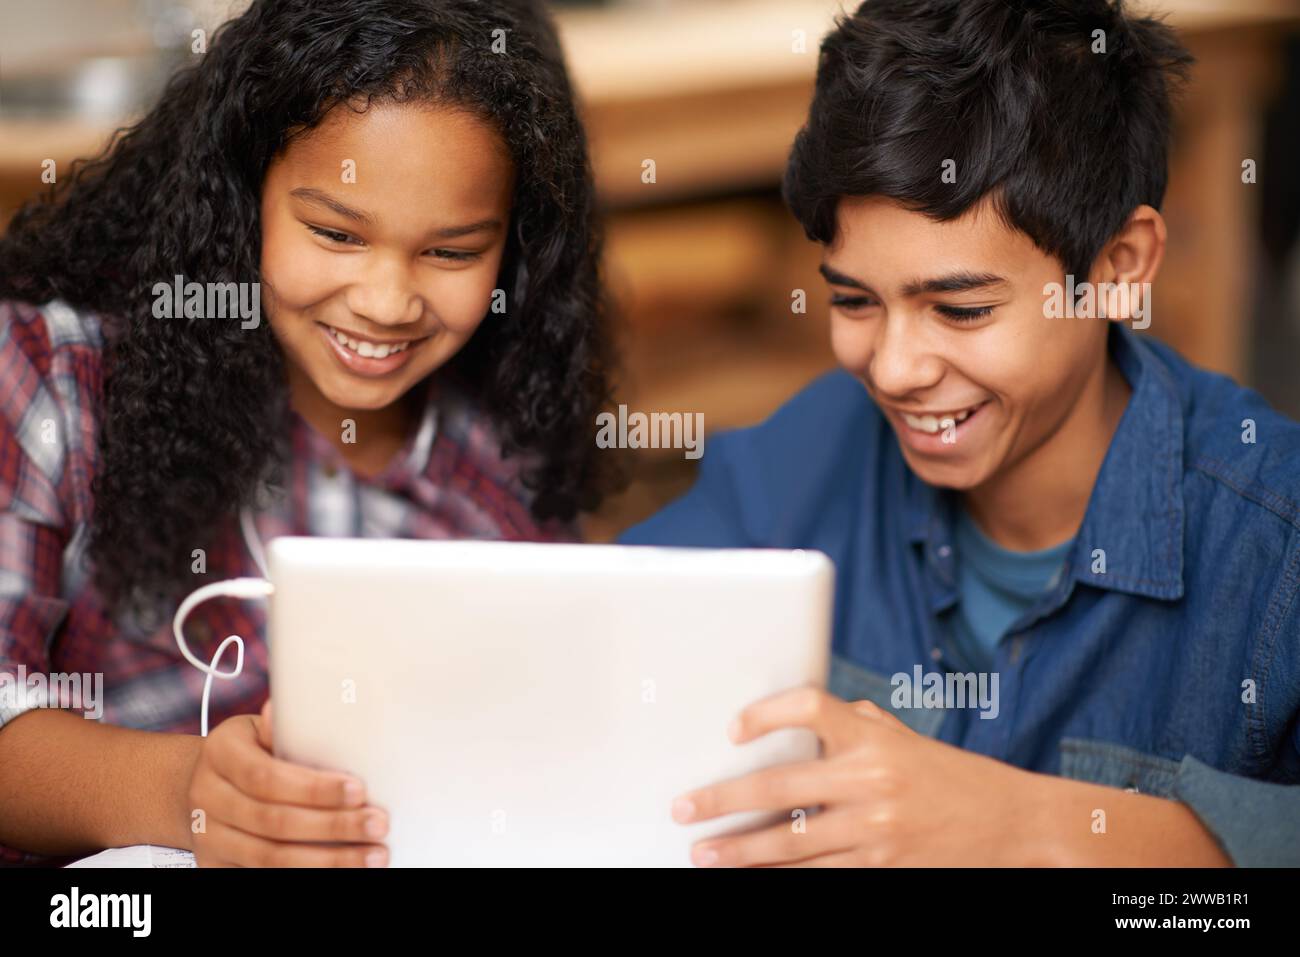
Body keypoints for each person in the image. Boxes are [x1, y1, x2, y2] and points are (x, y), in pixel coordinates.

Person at [623, 0, 1300, 866]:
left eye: (962, 307)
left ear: (1119, 270)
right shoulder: (795, 464)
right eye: (854, 300)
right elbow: (597, 645)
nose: (896, 368)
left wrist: (1018, 828)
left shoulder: (1271, 549)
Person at [0, 0, 616, 866]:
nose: (386, 301)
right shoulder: (53, 372)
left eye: (452, 252)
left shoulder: (502, 454)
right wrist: (187, 793)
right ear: (240, 194)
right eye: (334, 232)